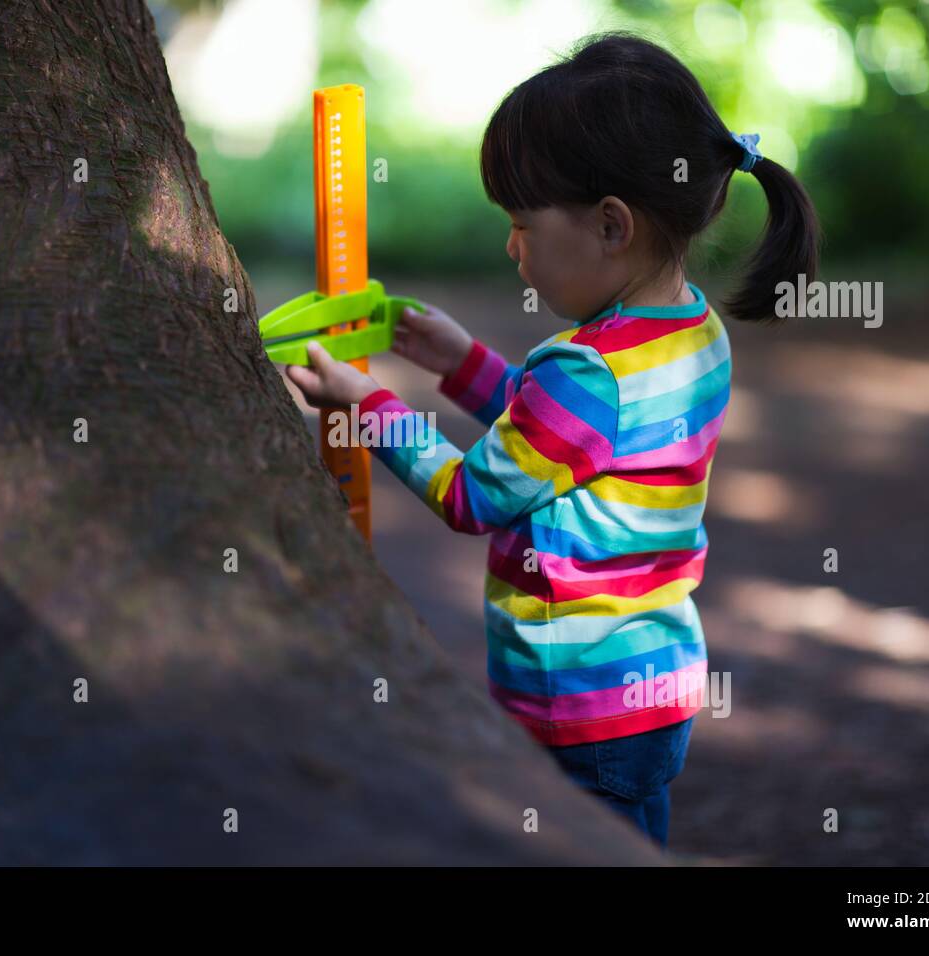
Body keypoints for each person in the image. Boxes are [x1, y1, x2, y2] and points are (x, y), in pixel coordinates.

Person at [283, 32, 819, 849]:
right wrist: (467, 366)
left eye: (523, 224)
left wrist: (370, 407)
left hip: (579, 701)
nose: (512, 248)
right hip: (652, 685)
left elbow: (479, 494)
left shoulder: (584, 372)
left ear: (611, 225)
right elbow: (569, 454)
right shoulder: (694, 330)